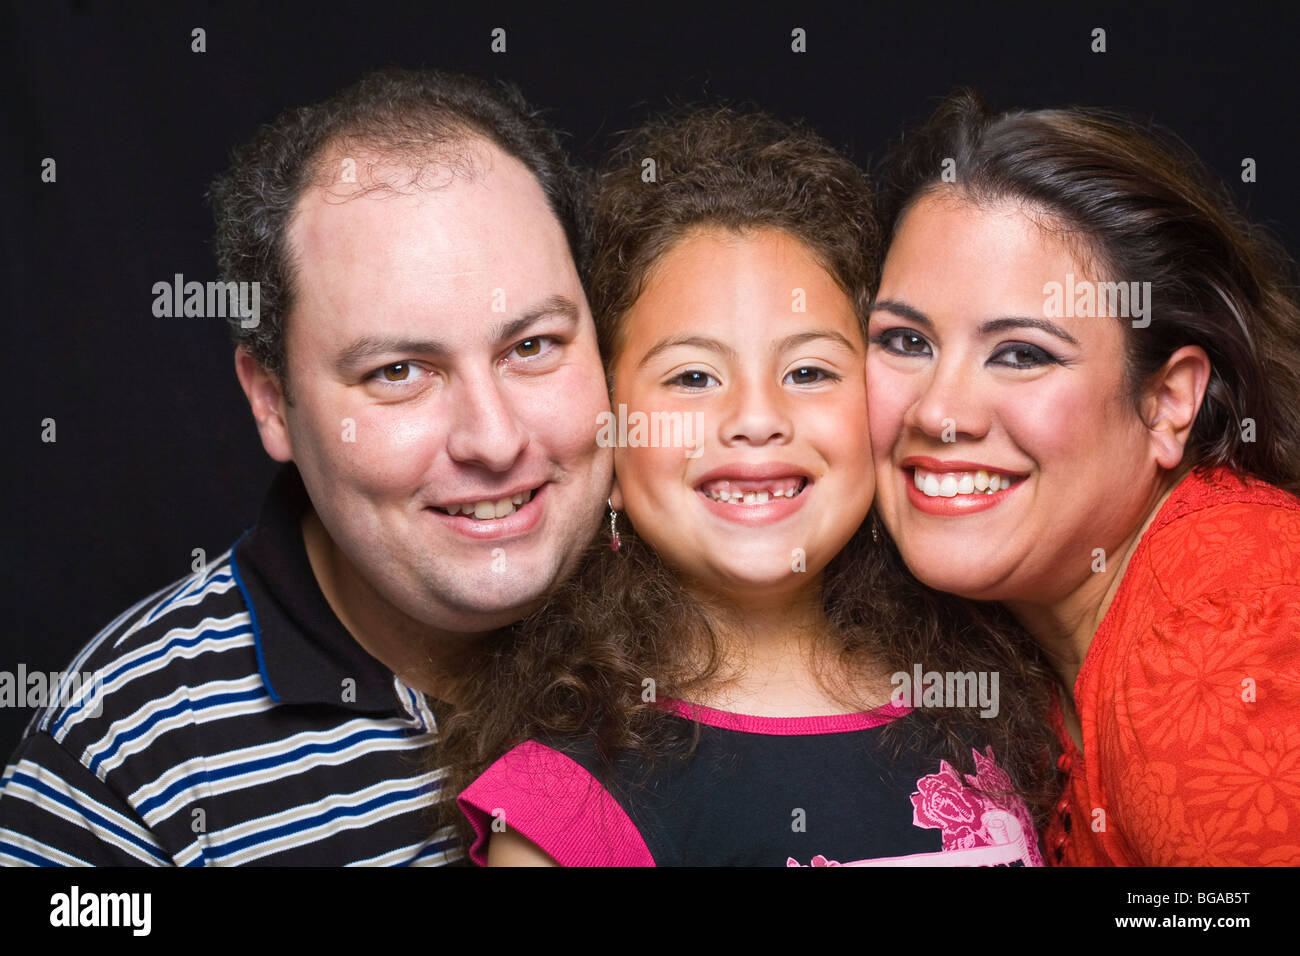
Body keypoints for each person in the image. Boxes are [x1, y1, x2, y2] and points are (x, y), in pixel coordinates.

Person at [0, 69, 613, 866]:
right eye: (399, 371)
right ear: (271, 402)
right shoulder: (120, 751)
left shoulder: (739, 599)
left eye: (532, 347)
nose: (493, 441)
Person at [451, 108, 1059, 867]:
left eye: (808, 372)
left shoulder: (999, 693)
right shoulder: (563, 805)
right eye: (693, 377)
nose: (756, 419)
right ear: (608, 440)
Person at [865, 90, 1300, 865]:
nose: (939, 411)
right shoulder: (1019, 644)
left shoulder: (1218, 639)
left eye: (1023, 354)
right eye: (904, 340)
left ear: (1167, 402)